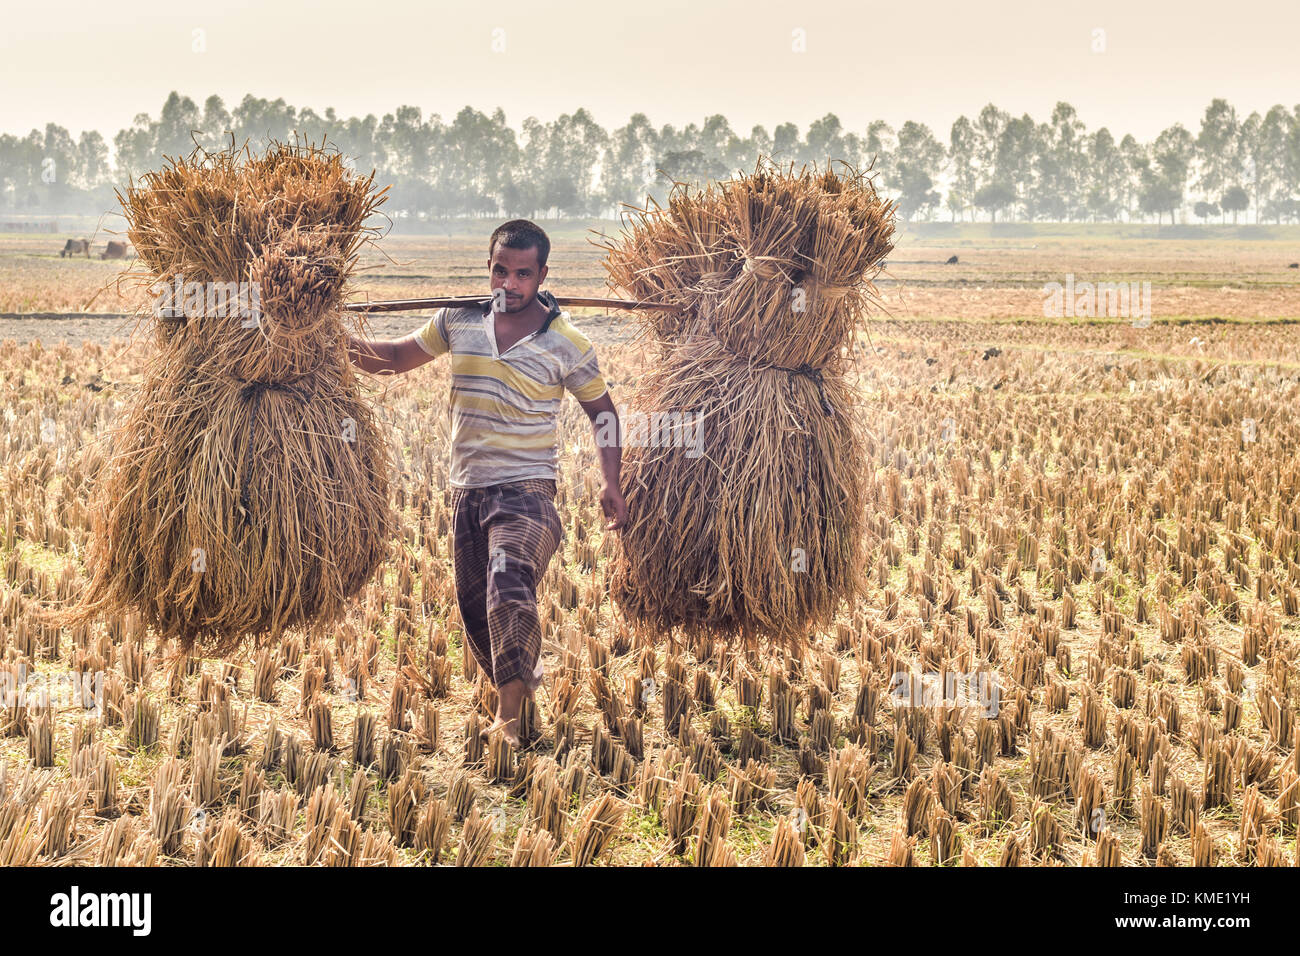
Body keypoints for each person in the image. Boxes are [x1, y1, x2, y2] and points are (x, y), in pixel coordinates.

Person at [346, 219, 627, 747]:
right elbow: (393, 360)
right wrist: (325, 339)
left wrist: (611, 481)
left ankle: (510, 718)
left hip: (528, 491)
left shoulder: (567, 343)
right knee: (477, 607)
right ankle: (520, 693)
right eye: (501, 271)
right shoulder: (459, 320)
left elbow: (603, 413)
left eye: (523, 274)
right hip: (467, 490)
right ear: (489, 268)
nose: (509, 285)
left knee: (507, 579)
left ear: (543, 275)